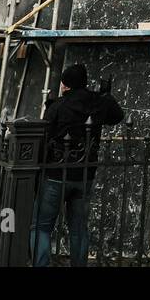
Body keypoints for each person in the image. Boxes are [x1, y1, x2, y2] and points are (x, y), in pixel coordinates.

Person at [29, 63, 124, 267]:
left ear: (65, 85)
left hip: (56, 174)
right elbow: (118, 116)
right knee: (79, 229)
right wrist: (106, 95)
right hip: (84, 175)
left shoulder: (57, 105)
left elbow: (45, 135)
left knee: (41, 227)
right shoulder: (97, 103)